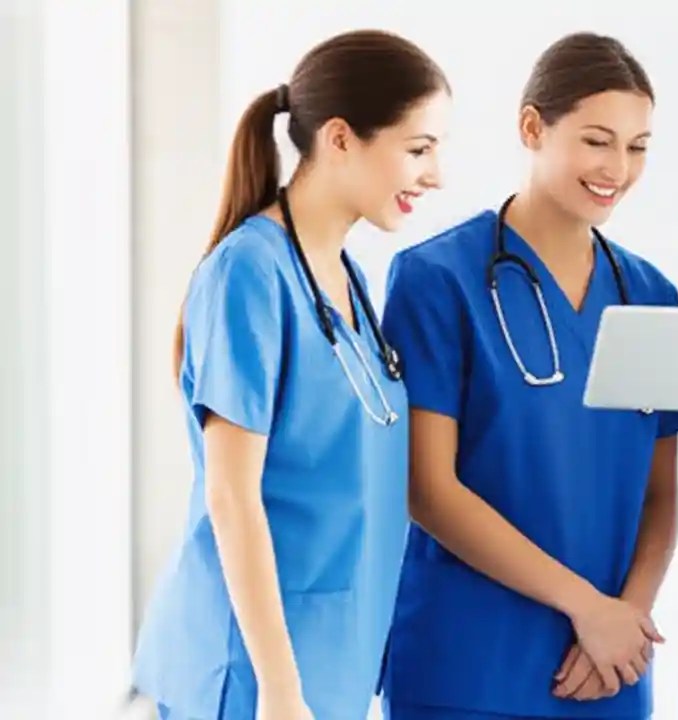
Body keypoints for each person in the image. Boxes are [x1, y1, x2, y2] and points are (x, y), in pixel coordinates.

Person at [130, 30, 452, 720]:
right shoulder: (250, 272)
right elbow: (231, 496)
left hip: (329, 660)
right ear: (340, 138)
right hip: (251, 670)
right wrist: (279, 690)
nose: (434, 175)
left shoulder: (351, 281)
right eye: (418, 150)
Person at [377, 32, 678, 720]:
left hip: (607, 673)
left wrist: (625, 623)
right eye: (597, 140)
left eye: (638, 146)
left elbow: (661, 498)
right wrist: (587, 607)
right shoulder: (437, 280)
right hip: (468, 667)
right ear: (532, 127)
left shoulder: (651, 297)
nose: (618, 166)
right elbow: (428, 489)